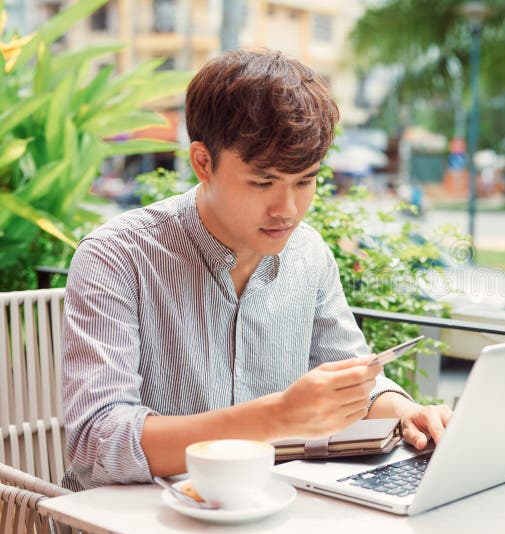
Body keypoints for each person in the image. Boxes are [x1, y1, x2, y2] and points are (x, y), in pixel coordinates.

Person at [61, 49, 452, 491]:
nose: (287, 210)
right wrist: (276, 417)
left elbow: (355, 376)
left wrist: (407, 412)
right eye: (263, 183)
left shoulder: (309, 254)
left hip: (262, 510)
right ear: (202, 162)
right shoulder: (118, 257)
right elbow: (96, 444)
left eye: (305, 181)